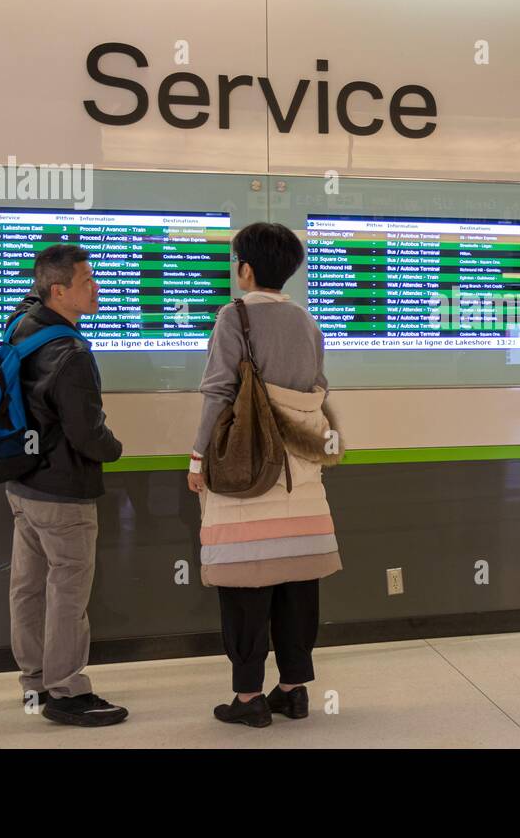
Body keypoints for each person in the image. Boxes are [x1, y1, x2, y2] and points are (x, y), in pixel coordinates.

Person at [188, 222, 342, 728]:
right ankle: (293, 690)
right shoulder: (307, 320)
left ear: (246, 269)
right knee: (297, 576)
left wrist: (197, 459)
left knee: (246, 577)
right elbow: (318, 386)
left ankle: (249, 696)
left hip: (247, 468)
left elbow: (217, 392)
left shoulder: (233, 316)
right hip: (302, 471)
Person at [5, 243, 127, 727]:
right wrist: (114, 448)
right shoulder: (71, 353)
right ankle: (67, 691)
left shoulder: (22, 324)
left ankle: (34, 682)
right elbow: (87, 434)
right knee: (68, 592)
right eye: (86, 280)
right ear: (59, 290)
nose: (96, 286)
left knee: (28, 587)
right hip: (62, 491)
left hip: (23, 484)